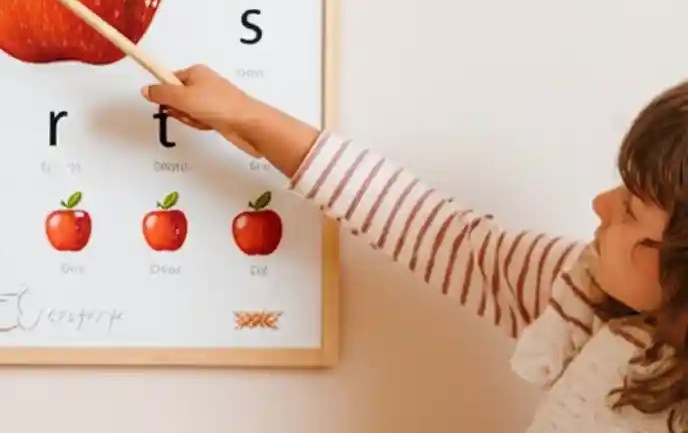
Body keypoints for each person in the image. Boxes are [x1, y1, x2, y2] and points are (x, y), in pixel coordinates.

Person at [141, 65, 688, 432]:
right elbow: (433, 230)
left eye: (630, 212)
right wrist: (250, 118)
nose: (599, 204)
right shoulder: (583, 296)